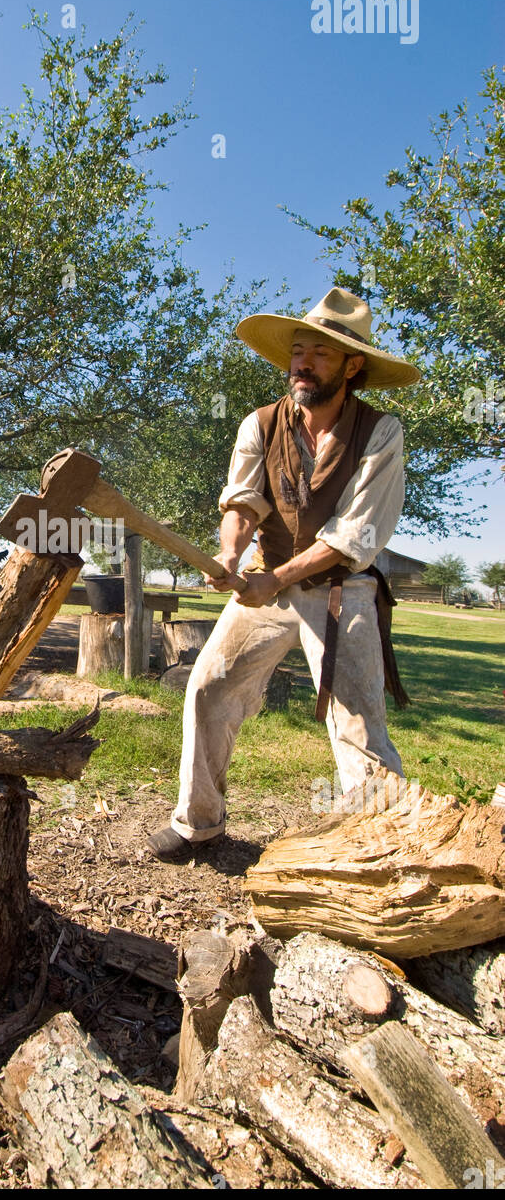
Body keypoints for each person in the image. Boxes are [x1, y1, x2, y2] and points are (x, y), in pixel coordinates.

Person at [148, 287, 421, 858]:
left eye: (320, 353)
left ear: (352, 365)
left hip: (343, 590)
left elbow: (355, 533)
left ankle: (387, 848)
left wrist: (279, 576)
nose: (303, 362)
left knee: (357, 721)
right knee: (209, 688)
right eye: (299, 350)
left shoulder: (381, 433)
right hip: (265, 581)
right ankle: (199, 825)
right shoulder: (260, 423)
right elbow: (243, 502)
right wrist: (229, 556)